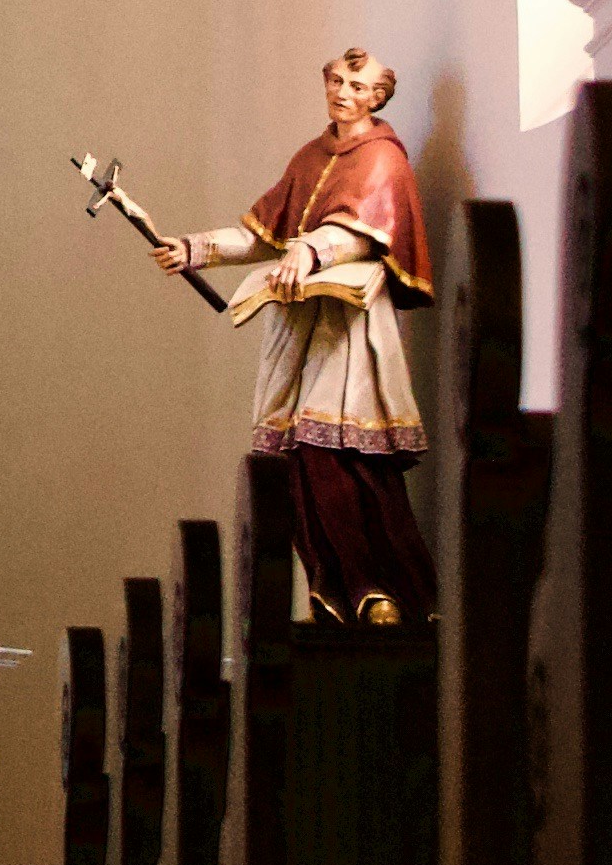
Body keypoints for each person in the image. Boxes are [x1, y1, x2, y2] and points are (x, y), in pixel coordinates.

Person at [162, 48, 436, 624]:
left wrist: (311, 250)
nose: (342, 91)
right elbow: (263, 235)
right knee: (290, 456)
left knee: (341, 451)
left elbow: (367, 234)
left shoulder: (384, 159)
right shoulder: (312, 158)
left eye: (357, 85)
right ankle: (329, 588)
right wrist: (195, 250)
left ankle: (382, 587)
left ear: (377, 97)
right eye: (336, 79)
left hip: (347, 325)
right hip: (298, 324)